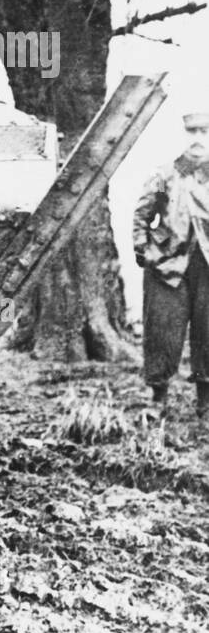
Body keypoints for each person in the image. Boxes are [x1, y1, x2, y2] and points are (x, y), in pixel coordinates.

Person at [133, 109, 209, 415]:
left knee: (208, 332)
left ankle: (205, 402)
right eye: (192, 133)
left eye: (205, 133)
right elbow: (142, 215)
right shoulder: (165, 175)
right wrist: (146, 253)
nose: (198, 140)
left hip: (206, 266)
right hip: (168, 267)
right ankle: (158, 398)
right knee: (162, 331)